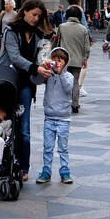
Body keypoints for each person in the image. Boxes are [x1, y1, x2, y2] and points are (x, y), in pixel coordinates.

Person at [2, 0, 52, 180]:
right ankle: (4, 162)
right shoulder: (11, 31)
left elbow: (39, 58)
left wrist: (45, 64)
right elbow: (14, 57)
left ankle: (24, 167)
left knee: (24, 128)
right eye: (34, 14)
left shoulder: (38, 35)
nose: (36, 19)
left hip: (26, 84)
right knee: (5, 125)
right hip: (7, 82)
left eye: (39, 16)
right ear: (24, 12)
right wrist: (35, 67)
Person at [36, 47, 75, 183]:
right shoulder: (48, 75)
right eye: (55, 60)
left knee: (63, 147)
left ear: (65, 62)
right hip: (49, 117)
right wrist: (42, 68)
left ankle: (65, 170)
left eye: (60, 60)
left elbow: (68, 88)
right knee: (48, 147)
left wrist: (61, 73)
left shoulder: (69, 76)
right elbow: (36, 81)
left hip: (64, 118)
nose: (57, 63)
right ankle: (46, 170)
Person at [56, 5, 91, 113]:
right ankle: (75, 104)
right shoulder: (83, 29)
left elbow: (57, 42)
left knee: (62, 81)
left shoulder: (62, 27)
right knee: (75, 82)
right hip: (77, 60)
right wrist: (85, 58)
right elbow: (86, 47)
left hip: (63, 60)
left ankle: (63, 102)